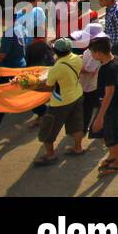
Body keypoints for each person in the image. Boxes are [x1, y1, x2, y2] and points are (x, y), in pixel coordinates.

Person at [29, 37, 86, 165]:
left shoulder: (57, 68)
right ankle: (78, 148)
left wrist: (32, 87)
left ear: (56, 51)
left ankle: (50, 155)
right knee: (76, 124)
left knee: (48, 129)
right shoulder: (77, 58)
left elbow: (48, 87)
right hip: (77, 95)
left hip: (60, 102)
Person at [86, 36, 118, 177]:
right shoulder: (115, 59)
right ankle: (113, 156)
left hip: (112, 106)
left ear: (98, 53)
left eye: (92, 52)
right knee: (110, 133)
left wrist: (100, 116)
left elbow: (109, 93)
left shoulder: (109, 68)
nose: (91, 55)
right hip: (116, 103)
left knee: (113, 133)